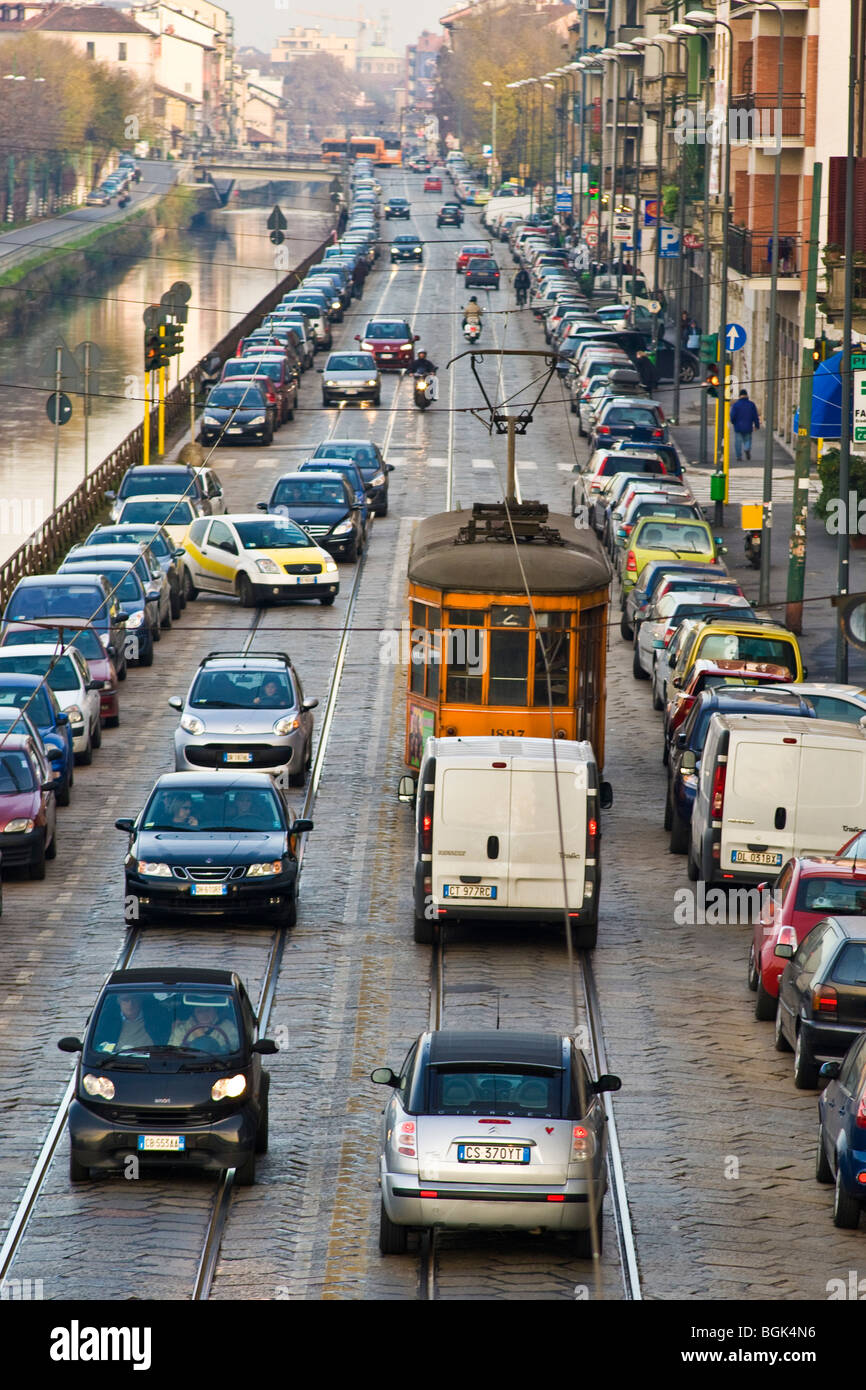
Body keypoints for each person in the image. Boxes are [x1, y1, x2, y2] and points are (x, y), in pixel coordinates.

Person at [169, 1003, 239, 1053]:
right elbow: (174, 1052)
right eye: (200, 1011)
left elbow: (232, 1050)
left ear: (215, 1010)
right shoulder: (183, 1029)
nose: (204, 1014)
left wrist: (202, 1037)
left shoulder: (228, 1027)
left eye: (207, 1010)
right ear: (194, 1013)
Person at [730, 388, 761, 461]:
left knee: (738, 442)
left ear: (740, 396)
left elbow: (732, 415)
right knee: (748, 440)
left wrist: (733, 422)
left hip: (738, 426)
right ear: (747, 395)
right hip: (748, 426)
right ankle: (747, 449)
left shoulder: (736, 405)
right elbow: (755, 416)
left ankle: (738, 456)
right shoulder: (751, 404)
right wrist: (757, 425)